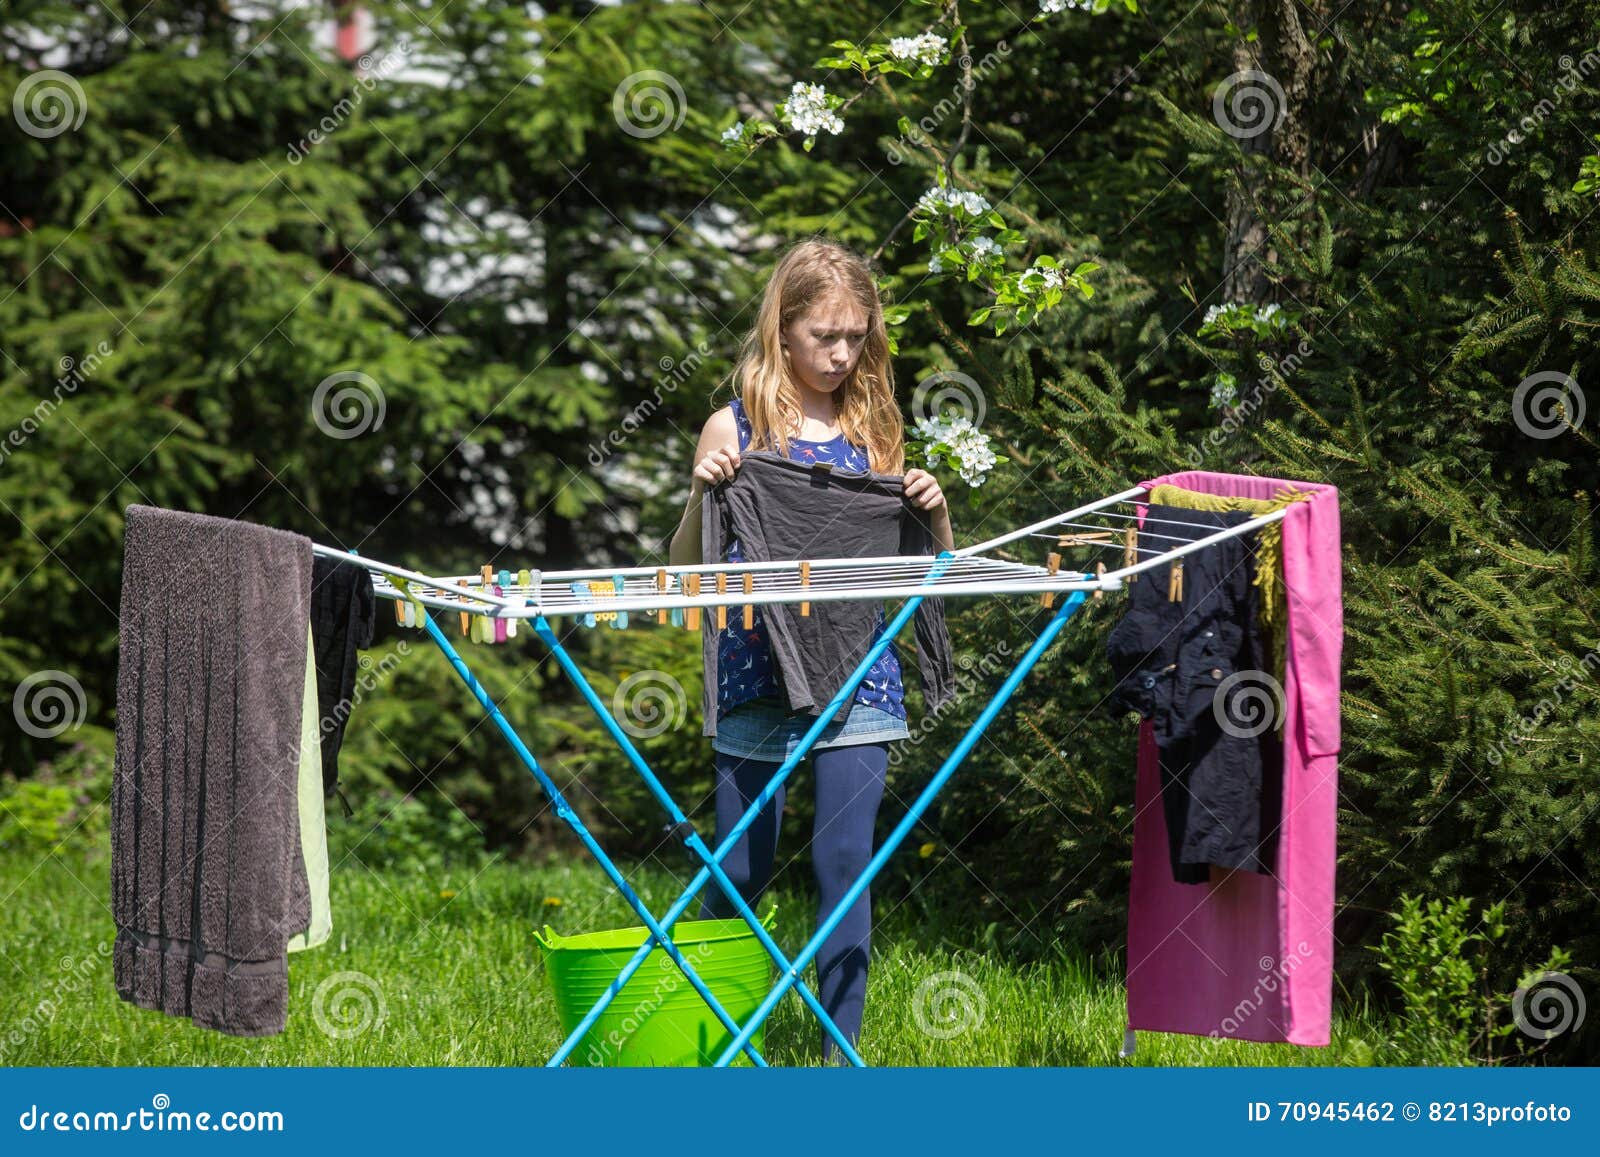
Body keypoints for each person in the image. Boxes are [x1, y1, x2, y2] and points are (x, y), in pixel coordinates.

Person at [667, 236, 952, 1064]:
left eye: (855, 336)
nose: (839, 353)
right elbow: (686, 567)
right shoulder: (736, 425)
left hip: (864, 670)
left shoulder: (873, 428)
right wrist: (701, 491)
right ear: (781, 328)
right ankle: (702, 1045)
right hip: (757, 671)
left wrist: (933, 514)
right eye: (823, 335)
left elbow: (924, 570)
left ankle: (838, 1063)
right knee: (738, 873)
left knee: (844, 865)